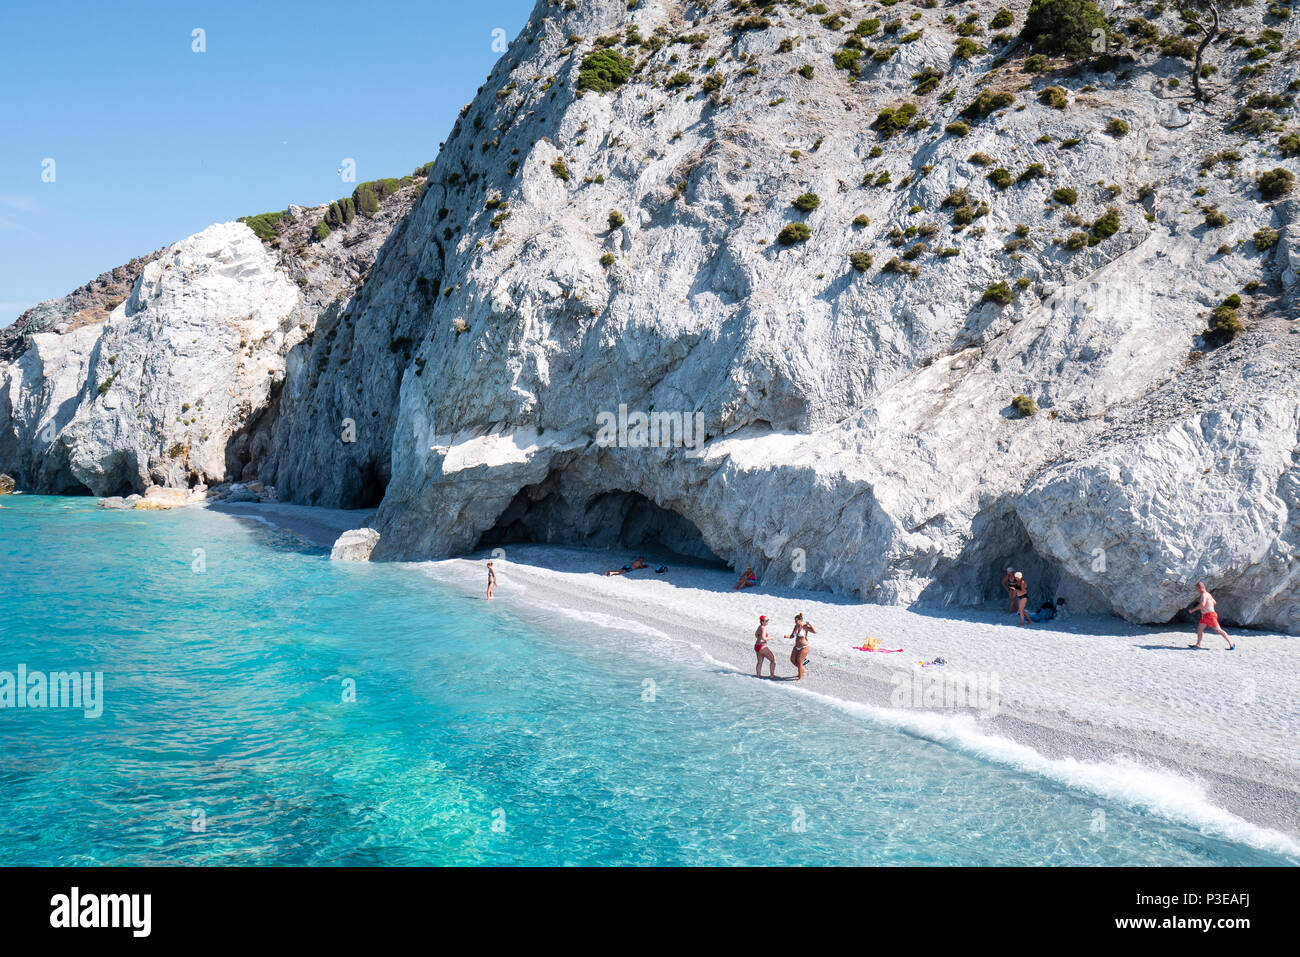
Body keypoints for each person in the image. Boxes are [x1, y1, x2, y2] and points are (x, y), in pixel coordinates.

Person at [1189, 582, 1235, 649]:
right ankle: (1198, 644)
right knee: (1200, 629)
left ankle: (1231, 643)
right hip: (1205, 616)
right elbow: (1214, 602)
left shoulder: (1204, 595)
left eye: (1197, 589)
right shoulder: (1208, 594)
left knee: (1218, 630)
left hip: (1210, 615)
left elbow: (1202, 605)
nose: (1197, 590)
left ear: (1200, 588)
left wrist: (1193, 610)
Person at [787, 613, 817, 682]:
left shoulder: (805, 627)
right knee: (792, 660)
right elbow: (792, 635)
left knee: (799, 661)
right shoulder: (795, 626)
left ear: (801, 620)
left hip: (804, 646)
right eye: (795, 621)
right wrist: (787, 636)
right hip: (797, 646)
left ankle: (800, 678)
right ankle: (802, 669)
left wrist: (810, 625)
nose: (795, 622)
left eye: (797, 621)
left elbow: (815, 631)